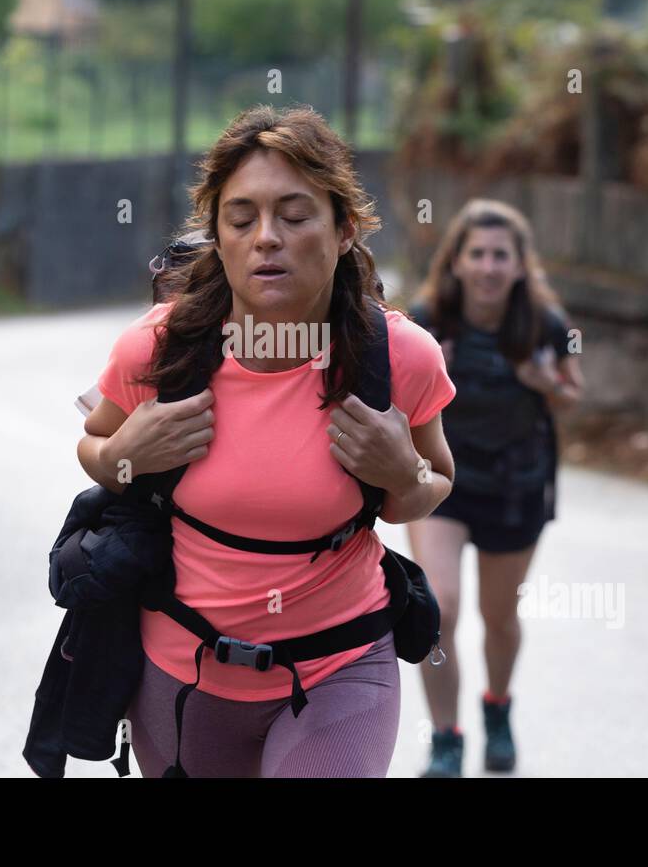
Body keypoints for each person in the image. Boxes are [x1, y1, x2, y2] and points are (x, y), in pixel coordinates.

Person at [75, 105, 458, 777]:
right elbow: (98, 454)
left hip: (340, 668)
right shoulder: (160, 350)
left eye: (295, 214)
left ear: (344, 230)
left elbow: (431, 485)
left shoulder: (399, 358)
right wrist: (126, 454)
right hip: (184, 671)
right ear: (218, 236)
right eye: (242, 218)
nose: (267, 238)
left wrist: (403, 476)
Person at [406, 198, 585, 777]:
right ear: (455, 261)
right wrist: (429, 371)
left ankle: (498, 710)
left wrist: (545, 381)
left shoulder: (547, 323)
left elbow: (573, 393)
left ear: (518, 265)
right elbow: (390, 397)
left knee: (498, 616)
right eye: (476, 254)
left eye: (499, 256)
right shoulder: (428, 320)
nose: (487, 266)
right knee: (438, 608)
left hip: (516, 485)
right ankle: (446, 738)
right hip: (441, 481)